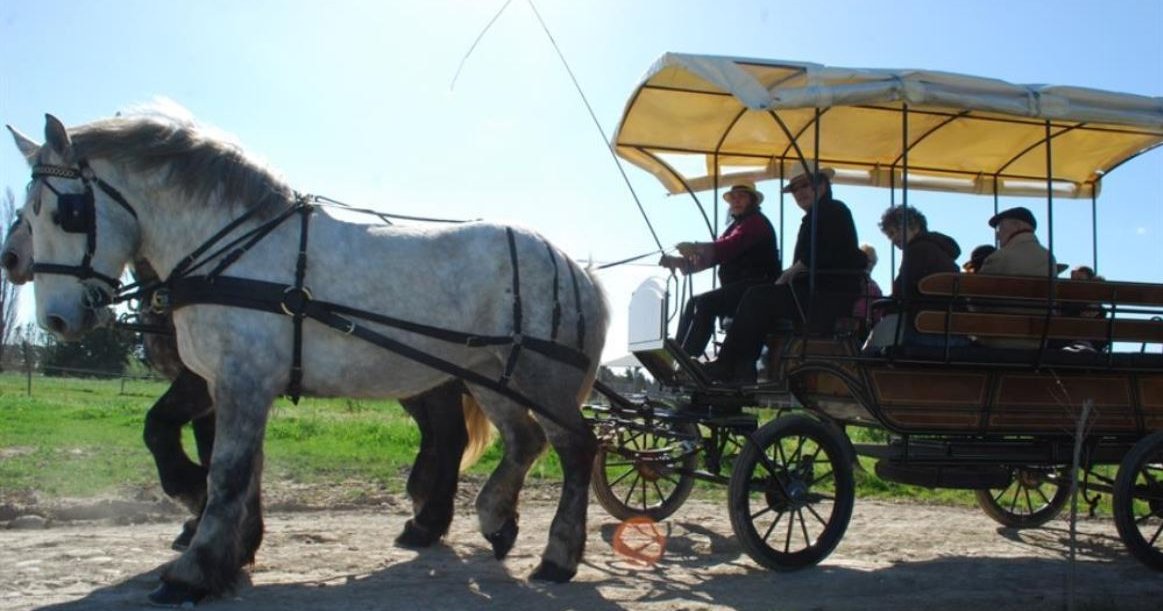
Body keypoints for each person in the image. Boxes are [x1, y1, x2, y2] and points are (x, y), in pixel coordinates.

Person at [703, 161, 867, 384]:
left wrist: (794, 271)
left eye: (804, 186)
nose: (799, 193)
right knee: (758, 295)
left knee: (757, 297)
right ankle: (741, 369)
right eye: (795, 189)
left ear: (822, 186)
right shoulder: (814, 216)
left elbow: (827, 254)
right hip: (814, 291)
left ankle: (729, 366)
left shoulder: (834, 210)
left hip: (828, 296)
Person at [659, 181, 780, 358]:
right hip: (741, 288)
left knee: (705, 303)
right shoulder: (735, 226)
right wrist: (679, 263)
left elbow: (727, 247)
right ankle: (679, 353)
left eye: (742, 197)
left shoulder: (756, 223)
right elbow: (713, 256)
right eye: (733, 198)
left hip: (758, 287)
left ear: (753, 201)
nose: (736, 201)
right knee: (693, 302)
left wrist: (694, 247)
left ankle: (689, 357)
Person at [864, 206, 966, 349]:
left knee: (874, 343)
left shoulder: (916, 251)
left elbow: (900, 294)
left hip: (924, 332)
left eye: (895, 232)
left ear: (914, 225)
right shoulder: (941, 252)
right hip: (955, 333)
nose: (893, 239)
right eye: (890, 236)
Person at [976, 206, 1056, 348]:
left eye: (1000, 228)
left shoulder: (1000, 257)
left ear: (1017, 225)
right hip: (1039, 344)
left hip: (998, 341)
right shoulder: (1050, 258)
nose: (998, 235)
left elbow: (977, 303)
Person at [851, 244, 884, 325]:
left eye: (873, 262)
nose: (871, 265)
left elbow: (879, 312)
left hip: (868, 324)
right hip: (851, 321)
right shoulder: (849, 282)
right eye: (869, 261)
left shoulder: (875, 287)